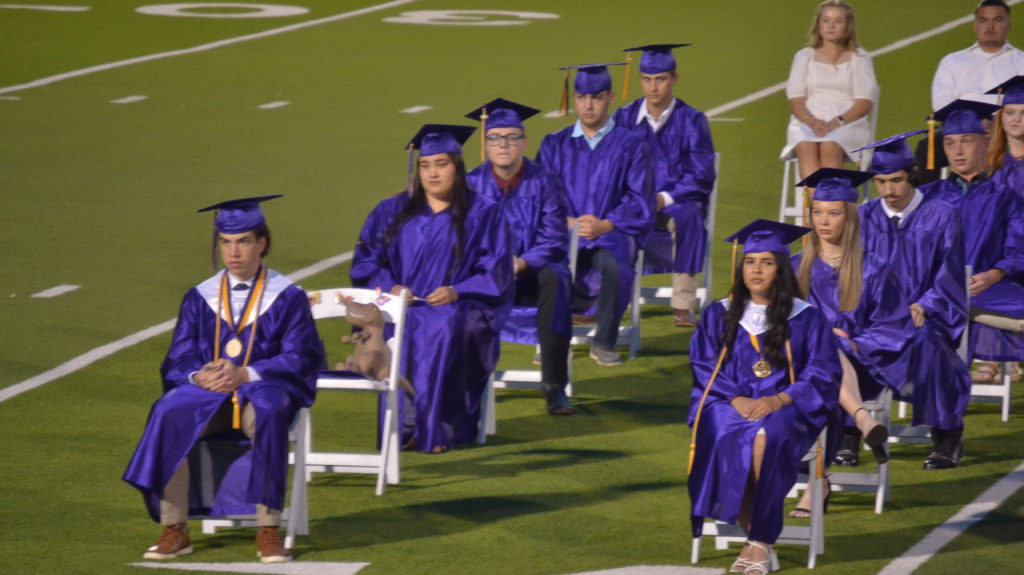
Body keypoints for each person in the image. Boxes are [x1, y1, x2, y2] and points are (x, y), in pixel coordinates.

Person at [123, 195, 324, 563]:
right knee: (168, 410)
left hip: (262, 389)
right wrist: (198, 375)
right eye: (225, 242)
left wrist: (246, 373)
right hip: (212, 394)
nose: (234, 252)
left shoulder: (288, 297)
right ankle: (175, 528)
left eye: (243, 241)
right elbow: (179, 355)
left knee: (268, 412)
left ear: (262, 243)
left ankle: (268, 529)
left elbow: (300, 356)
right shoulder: (200, 297)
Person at [688, 219, 841, 575]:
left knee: (762, 438)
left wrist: (779, 400)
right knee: (729, 431)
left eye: (767, 262)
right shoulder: (718, 314)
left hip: (789, 407)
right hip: (728, 403)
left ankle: (756, 540)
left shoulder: (806, 318)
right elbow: (704, 366)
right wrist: (736, 399)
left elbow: (822, 372)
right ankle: (758, 540)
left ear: (781, 269)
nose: (756, 270)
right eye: (750, 261)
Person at [351, 124, 513, 453]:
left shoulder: (484, 212)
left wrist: (456, 290)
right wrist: (392, 287)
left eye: (441, 164)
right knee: (397, 326)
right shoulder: (391, 211)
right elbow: (365, 263)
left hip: (463, 305)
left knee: (444, 326)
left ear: (458, 167)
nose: (433, 173)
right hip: (401, 305)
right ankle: (402, 427)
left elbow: (496, 270)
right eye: (425, 165)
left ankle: (437, 428)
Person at [790, 168, 911, 514]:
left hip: (863, 368)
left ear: (850, 217)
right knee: (819, 357)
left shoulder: (874, 269)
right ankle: (861, 422)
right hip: (803, 367)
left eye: (833, 213)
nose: (823, 221)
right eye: (817, 212)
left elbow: (893, 328)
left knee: (827, 356)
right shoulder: (796, 267)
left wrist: (851, 342)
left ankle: (818, 482)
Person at [855, 131, 973, 469]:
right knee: (844, 343)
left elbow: (949, 274)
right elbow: (853, 274)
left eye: (896, 180)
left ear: (914, 174)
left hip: (926, 317)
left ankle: (947, 436)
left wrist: (924, 305)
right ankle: (848, 433)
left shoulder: (941, 215)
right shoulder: (863, 217)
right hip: (875, 319)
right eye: (880, 182)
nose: (888, 191)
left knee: (928, 343)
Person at [536, 62, 653, 366]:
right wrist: (566, 222)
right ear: (573, 98)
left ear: (610, 98)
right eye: (581, 97)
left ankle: (603, 342)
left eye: (596, 97)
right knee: (546, 266)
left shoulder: (630, 144)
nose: (588, 105)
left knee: (617, 267)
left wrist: (605, 224)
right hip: (564, 232)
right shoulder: (553, 144)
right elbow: (540, 196)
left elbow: (639, 197)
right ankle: (549, 341)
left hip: (610, 234)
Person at [464, 98, 574, 415]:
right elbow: (465, 241)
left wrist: (522, 263)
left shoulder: (546, 182)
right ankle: (468, 385)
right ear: (486, 144)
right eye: (495, 138)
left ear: (524, 143)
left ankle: (554, 387)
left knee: (557, 277)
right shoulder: (470, 185)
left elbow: (554, 239)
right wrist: (494, 265)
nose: (504, 144)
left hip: (530, 277)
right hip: (487, 278)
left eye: (512, 137)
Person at [920, 99, 1024, 396]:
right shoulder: (926, 197)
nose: (958, 151)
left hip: (989, 289)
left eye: (966, 141)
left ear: (985, 142)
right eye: (950, 142)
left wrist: (994, 274)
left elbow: (1018, 251)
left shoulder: (1006, 198)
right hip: (935, 291)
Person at [614, 43, 717, 327]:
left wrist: (663, 198)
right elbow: (612, 167)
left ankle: (683, 304)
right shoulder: (623, 118)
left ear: (674, 78)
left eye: (660, 79)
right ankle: (600, 300)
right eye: (647, 79)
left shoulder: (692, 120)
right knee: (604, 219)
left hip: (677, 203)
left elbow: (701, 173)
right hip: (635, 203)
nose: (653, 87)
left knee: (689, 218)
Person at [920, 0, 1024, 183]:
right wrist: (973, 121)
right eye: (983, 21)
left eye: (997, 20)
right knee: (926, 146)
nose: (990, 26)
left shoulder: (1020, 62)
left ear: (1009, 25)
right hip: (961, 129)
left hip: (1006, 131)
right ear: (975, 26)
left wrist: (996, 123)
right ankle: (930, 198)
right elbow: (941, 102)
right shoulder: (953, 61)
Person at [781, 0, 878, 181]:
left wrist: (837, 122)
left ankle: (832, 197)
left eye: (838, 21)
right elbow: (796, 101)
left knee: (830, 145)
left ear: (848, 26)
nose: (830, 26)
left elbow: (864, 102)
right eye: (825, 20)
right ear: (818, 24)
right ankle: (818, 199)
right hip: (807, 121)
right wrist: (812, 122)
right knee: (805, 145)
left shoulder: (860, 58)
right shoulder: (803, 57)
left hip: (848, 124)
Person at [986, 75, 1024, 193]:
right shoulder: (989, 160)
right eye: (1009, 113)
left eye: (1023, 113)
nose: (1016, 119)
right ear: (1000, 117)